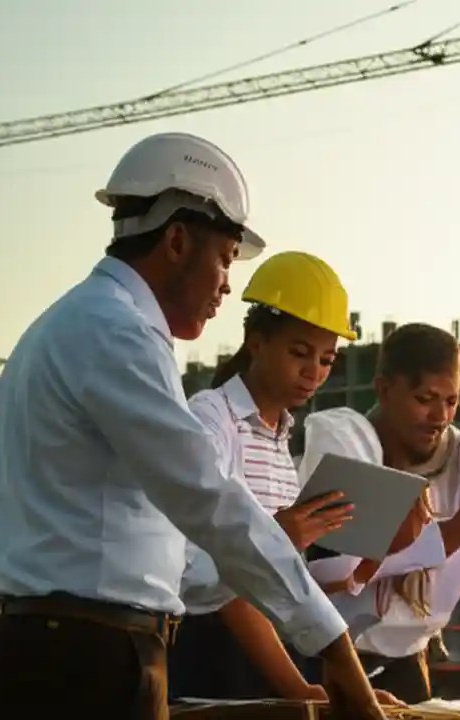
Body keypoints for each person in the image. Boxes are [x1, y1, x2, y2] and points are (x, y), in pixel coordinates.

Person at [0, 132, 384, 720]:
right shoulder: (114, 333)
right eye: (225, 258)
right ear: (179, 240)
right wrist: (333, 645)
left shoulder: (81, 323)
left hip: (72, 652)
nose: (227, 286)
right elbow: (208, 498)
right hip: (79, 665)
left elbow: (182, 568)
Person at [168, 250, 398, 707]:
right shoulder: (211, 421)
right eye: (300, 353)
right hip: (213, 656)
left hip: (274, 650)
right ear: (257, 342)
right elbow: (211, 574)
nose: (313, 371)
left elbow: (286, 578)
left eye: (327, 359)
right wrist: (301, 690)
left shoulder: (282, 442)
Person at [299, 323, 460, 702]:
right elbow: (334, 570)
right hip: (327, 660)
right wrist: (452, 534)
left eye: (452, 401)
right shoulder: (343, 442)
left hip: (408, 665)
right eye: (425, 398)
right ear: (385, 389)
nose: (440, 416)